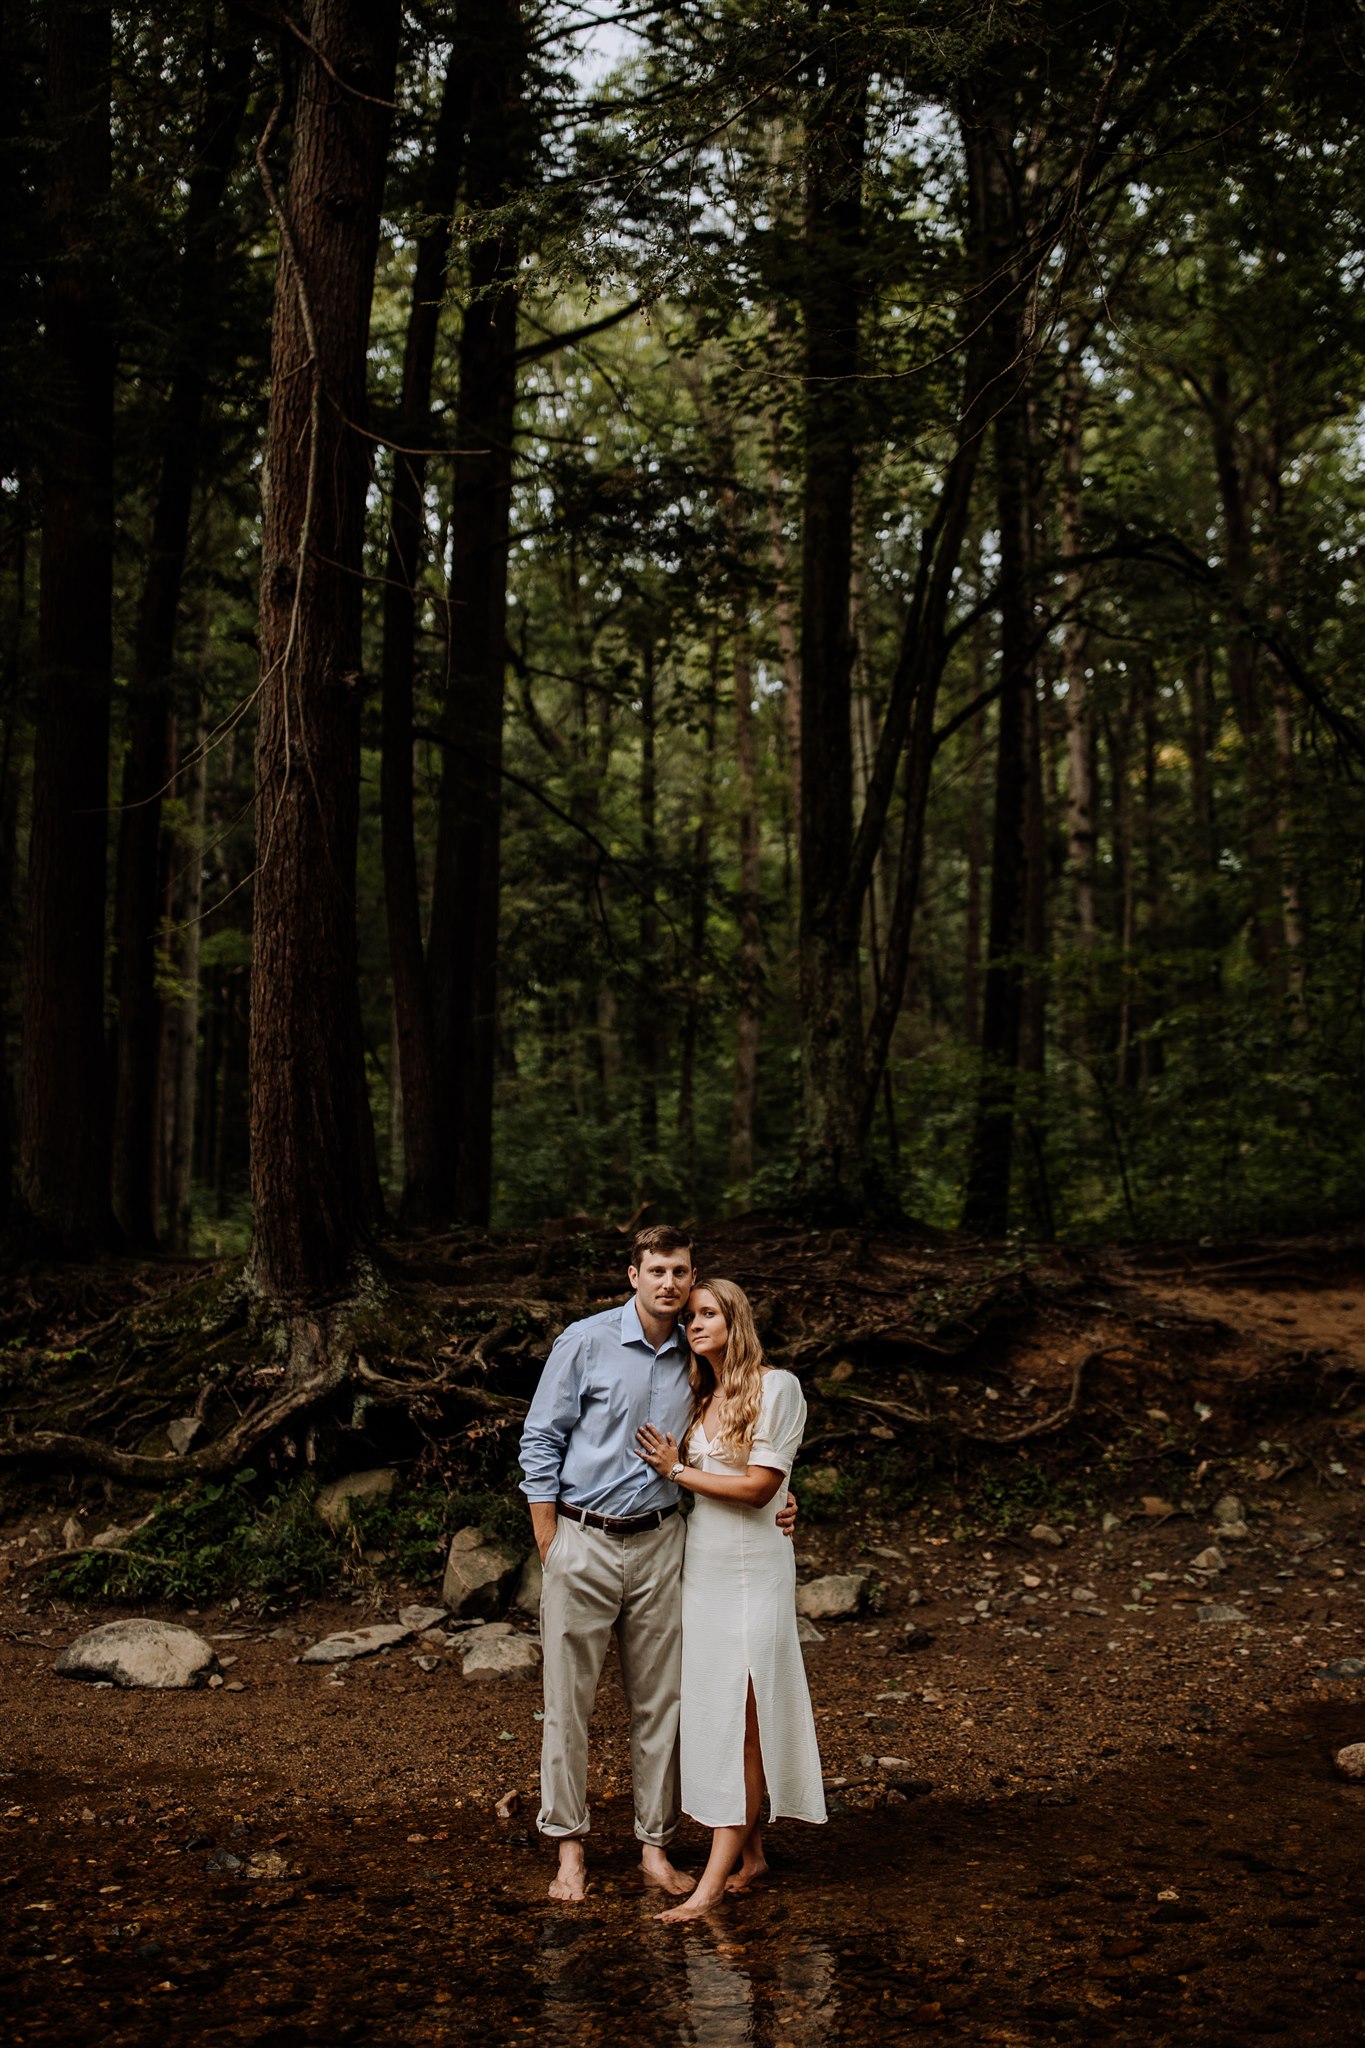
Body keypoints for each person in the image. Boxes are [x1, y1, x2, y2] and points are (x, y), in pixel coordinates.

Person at [518, 1225, 797, 1904]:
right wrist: (549, 1539)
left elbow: (734, 1445)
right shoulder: (584, 1341)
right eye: (658, 1271)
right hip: (581, 1538)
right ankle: (569, 1850)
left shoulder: (695, 1352)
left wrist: (784, 1501)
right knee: (567, 1705)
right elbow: (540, 1437)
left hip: (662, 1544)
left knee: (661, 1706)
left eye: (681, 1272)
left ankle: (653, 1847)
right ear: (632, 1275)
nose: (670, 1285)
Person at [635, 1277, 825, 1923]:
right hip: (704, 1571)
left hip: (754, 1571)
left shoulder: (777, 1387)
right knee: (720, 1715)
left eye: (707, 1313)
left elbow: (757, 1489)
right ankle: (752, 1858)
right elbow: (744, 1488)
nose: (694, 1324)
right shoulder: (700, 1396)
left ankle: (709, 1885)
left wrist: (676, 1471)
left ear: (735, 1319)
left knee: (745, 1721)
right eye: (689, 1316)